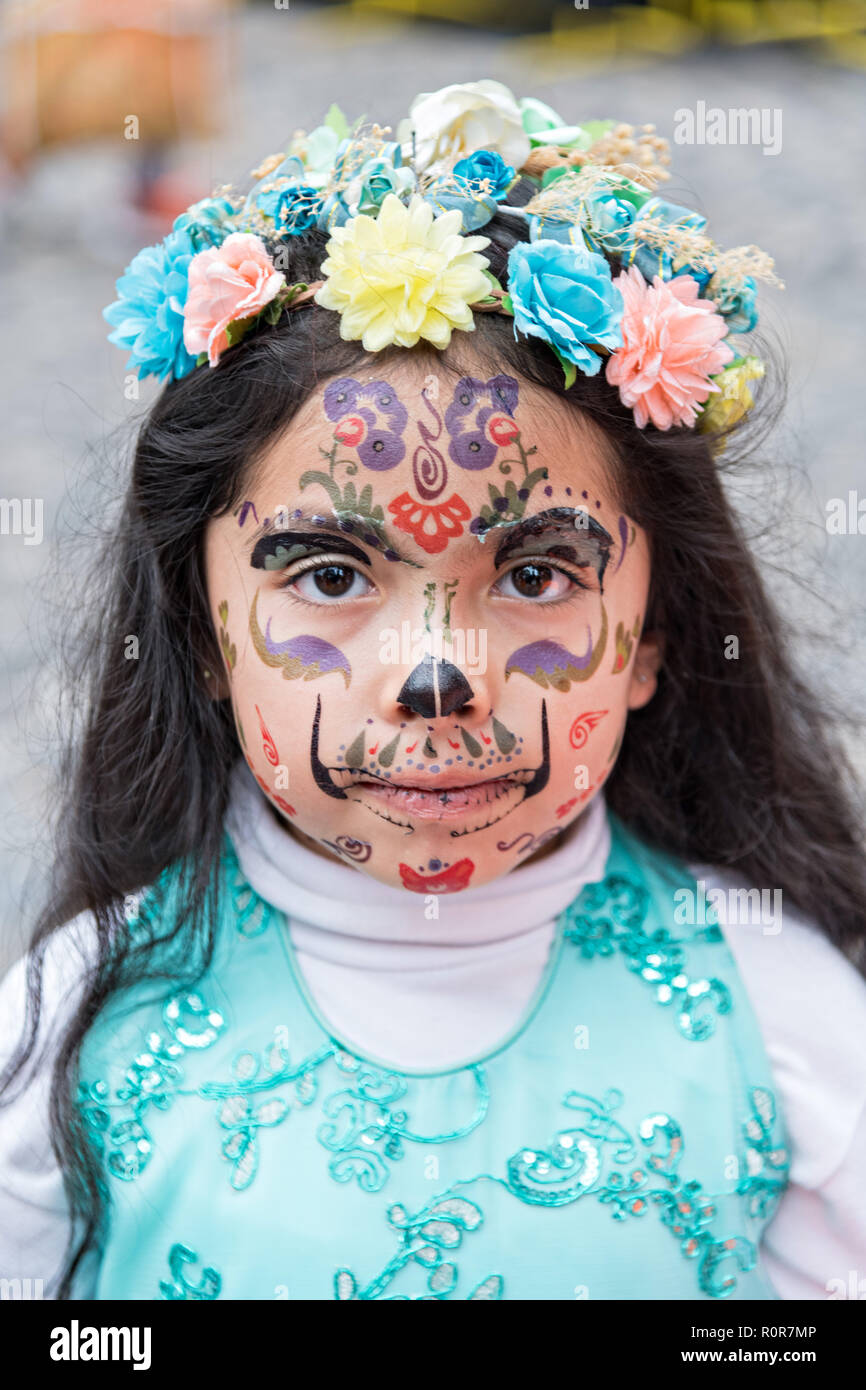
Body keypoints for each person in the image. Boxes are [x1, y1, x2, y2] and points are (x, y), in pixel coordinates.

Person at [1, 80, 864, 1302]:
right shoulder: (68, 1034)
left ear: (654, 634)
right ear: (199, 633)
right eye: (332, 569)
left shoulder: (787, 1021)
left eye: (535, 568)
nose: (434, 673)